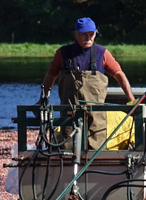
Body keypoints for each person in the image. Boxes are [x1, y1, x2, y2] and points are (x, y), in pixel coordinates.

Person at [38, 17, 136, 150]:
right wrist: (42, 98)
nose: (88, 38)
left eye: (92, 34)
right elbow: (50, 76)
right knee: (67, 148)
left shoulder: (103, 53)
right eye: (84, 34)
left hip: (96, 118)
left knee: (97, 147)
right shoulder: (62, 54)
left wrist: (131, 100)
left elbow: (119, 74)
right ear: (75, 34)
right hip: (69, 115)